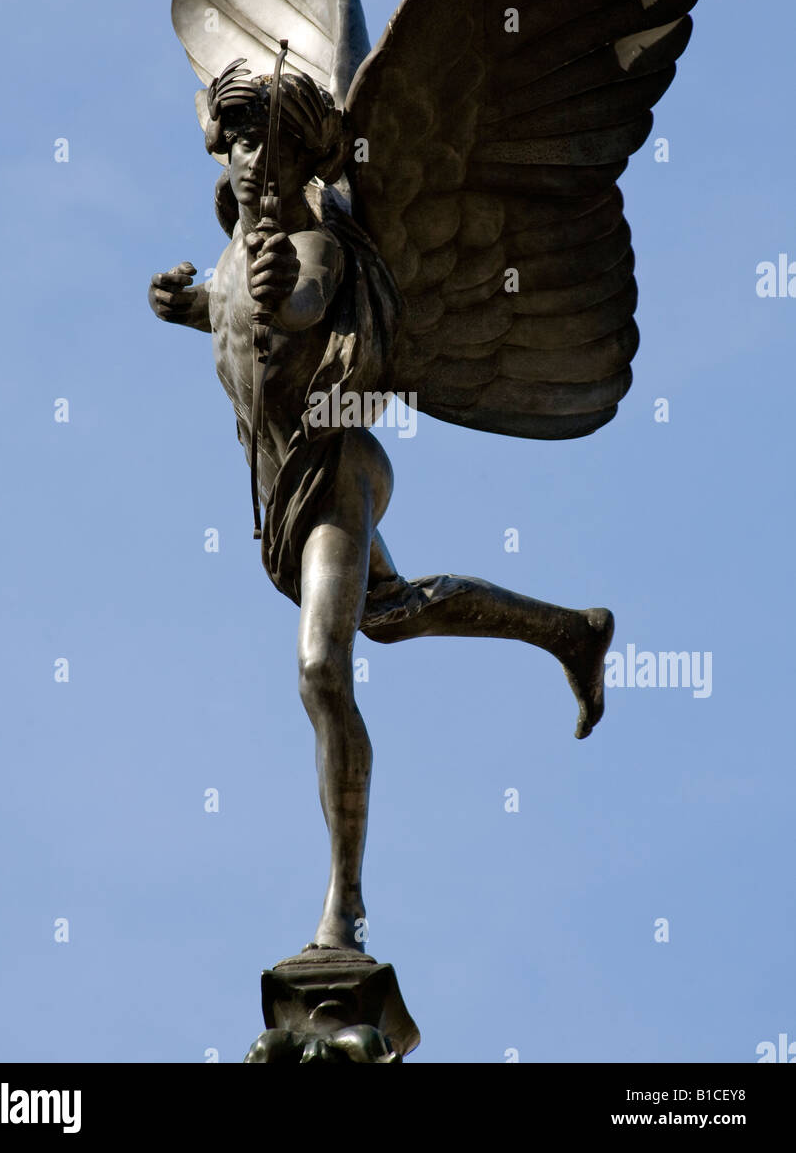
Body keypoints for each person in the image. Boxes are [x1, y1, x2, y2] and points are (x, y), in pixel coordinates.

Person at [149, 62, 614, 952]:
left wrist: (285, 294)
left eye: (271, 145)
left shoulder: (314, 251)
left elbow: (303, 304)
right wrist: (186, 303)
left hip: (336, 469)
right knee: (393, 614)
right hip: (282, 493)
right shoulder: (229, 257)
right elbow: (233, 313)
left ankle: (343, 906)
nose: (252, 161)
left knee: (323, 672)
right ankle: (571, 631)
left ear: (297, 162)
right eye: (241, 140)